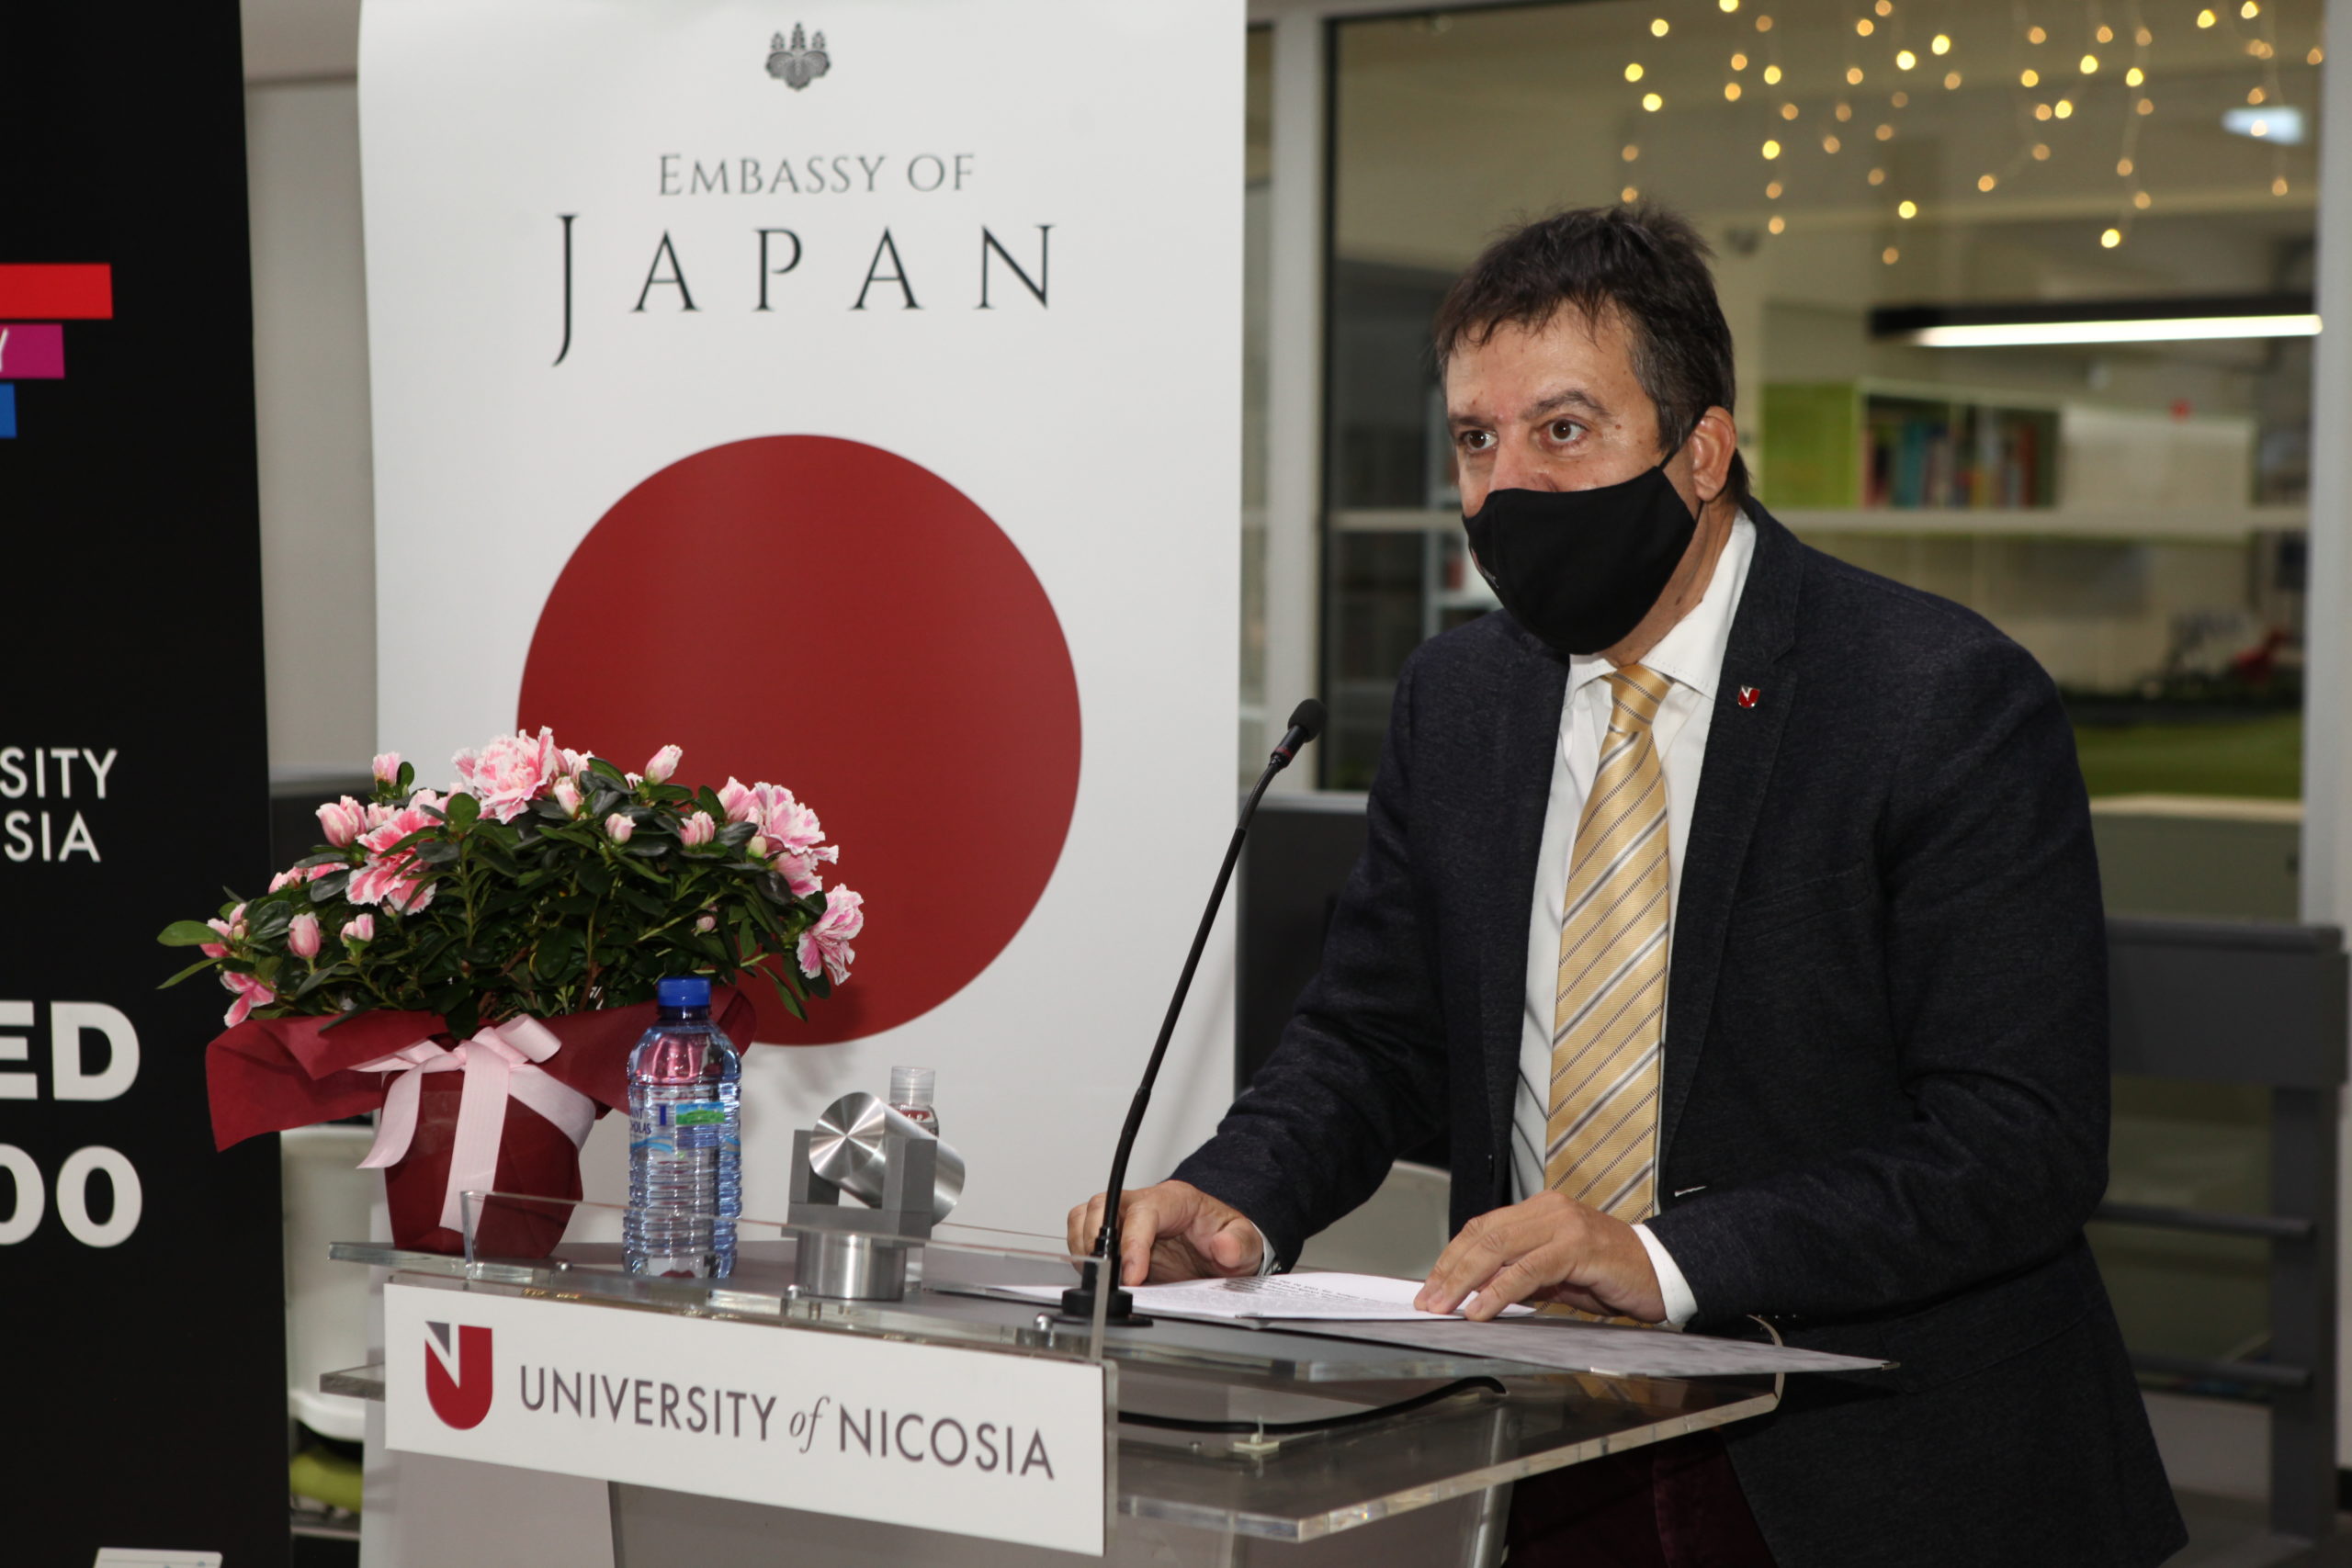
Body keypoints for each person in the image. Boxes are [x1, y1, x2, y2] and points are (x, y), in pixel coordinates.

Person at [1069, 204, 2184, 1567]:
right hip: (1549, 1444)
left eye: (1562, 429)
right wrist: (1236, 1197)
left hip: (1885, 1471)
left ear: (1701, 451)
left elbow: (2018, 1141)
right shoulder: (1460, 700)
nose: (1508, 487)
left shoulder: (1934, 697)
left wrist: (1657, 1260)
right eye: (1475, 441)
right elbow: (1375, 1035)